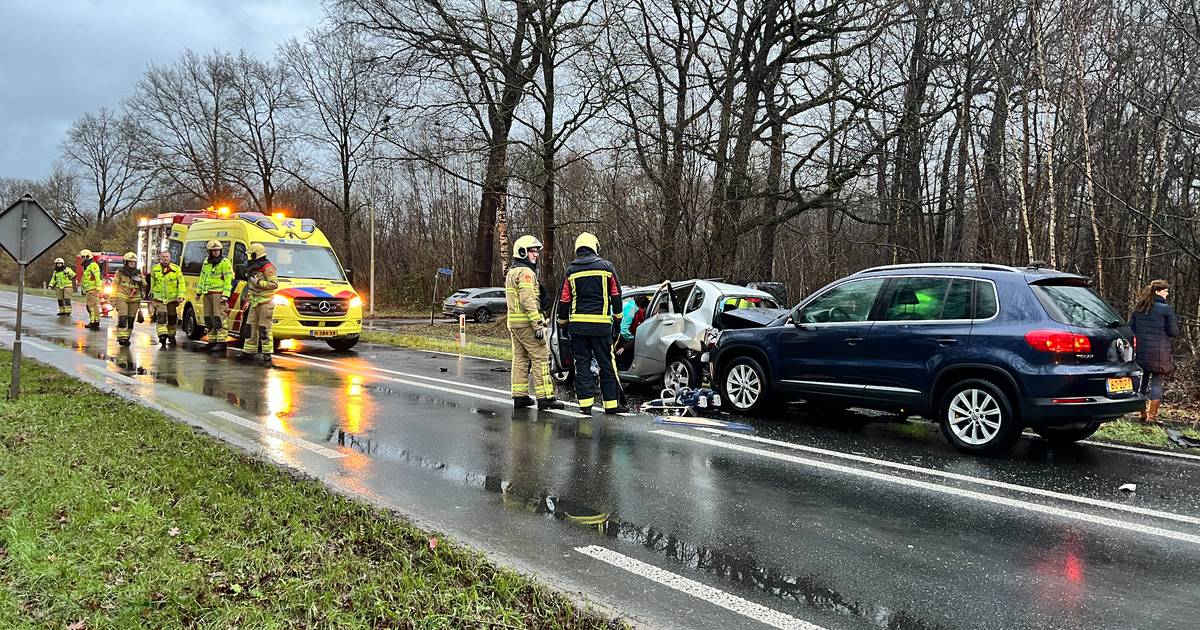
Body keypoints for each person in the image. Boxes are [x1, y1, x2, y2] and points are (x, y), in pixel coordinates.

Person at [558, 232, 627, 415]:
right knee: (606, 364)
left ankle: (585, 405)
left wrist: (562, 324)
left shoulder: (571, 271)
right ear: (594, 246)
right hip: (601, 327)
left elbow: (564, 300)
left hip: (578, 327)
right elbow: (616, 297)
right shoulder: (607, 267)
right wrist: (618, 321)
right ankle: (611, 405)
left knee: (582, 364)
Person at [505, 235, 564, 410]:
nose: (536, 255)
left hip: (515, 324)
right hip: (528, 324)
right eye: (532, 251)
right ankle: (545, 397)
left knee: (520, 359)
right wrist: (537, 324)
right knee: (541, 357)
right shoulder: (526, 273)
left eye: (536, 251)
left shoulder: (511, 272)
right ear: (522, 252)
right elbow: (528, 300)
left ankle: (520, 396)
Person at [1129, 279, 1179, 425]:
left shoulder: (1139, 309)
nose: (1167, 293)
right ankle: (1152, 417)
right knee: (1156, 383)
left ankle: (1142, 413)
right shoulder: (1166, 309)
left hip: (1142, 353)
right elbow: (1173, 331)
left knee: (1142, 383)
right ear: (1157, 292)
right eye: (1165, 290)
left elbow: (1130, 329)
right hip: (1159, 353)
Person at [244, 243, 279, 365]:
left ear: (256, 254)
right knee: (250, 327)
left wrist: (259, 282)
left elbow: (274, 284)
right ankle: (249, 352)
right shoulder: (254, 267)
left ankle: (267, 355)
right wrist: (248, 299)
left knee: (264, 329)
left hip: (265, 302)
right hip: (254, 302)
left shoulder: (268, 267)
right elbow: (251, 286)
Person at [197, 240, 233, 354]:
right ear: (210, 252)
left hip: (219, 294)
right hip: (207, 293)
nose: (216, 253)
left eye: (217, 250)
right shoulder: (206, 262)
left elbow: (228, 279)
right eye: (213, 251)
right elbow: (202, 277)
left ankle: (222, 342)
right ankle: (212, 341)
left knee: (219, 317)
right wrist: (199, 292)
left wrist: (225, 295)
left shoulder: (225, 262)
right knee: (208, 317)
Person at [149, 250, 183, 347]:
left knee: (172, 318)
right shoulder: (155, 269)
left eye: (167, 256)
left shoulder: (176, 269)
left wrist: (181, 295)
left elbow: (181, 283)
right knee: (161, 317)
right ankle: (162, 336)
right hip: (159, 299)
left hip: (172, 299)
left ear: (170, 258)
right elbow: (152, 283)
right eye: (163, 256)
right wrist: (151, 294)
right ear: (160, 258)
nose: (165, 258)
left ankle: (172, 335)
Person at [113, 252, 144, 347]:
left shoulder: (138, 272)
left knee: (131, 319)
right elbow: (114, 285)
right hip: (122, 297)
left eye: (134, 262)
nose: (132, 264)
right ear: (125, 262)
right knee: (123, 317)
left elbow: (145, 285)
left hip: (134, 299)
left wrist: (140, 280)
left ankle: (127, 337)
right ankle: (121, 337)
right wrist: (113, 299)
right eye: (130, 262)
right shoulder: (120, 272)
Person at [79, 249, 102, 329]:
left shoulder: (92, 265)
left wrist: (98, 288)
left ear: (87, 257)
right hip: (89, 289)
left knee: (91, 306)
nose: (82, 259)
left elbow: (97, 277)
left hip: (92, 289)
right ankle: (96, 321)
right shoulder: (87, 266)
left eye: (83, 257)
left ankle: (92, 322)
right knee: (93, 306)